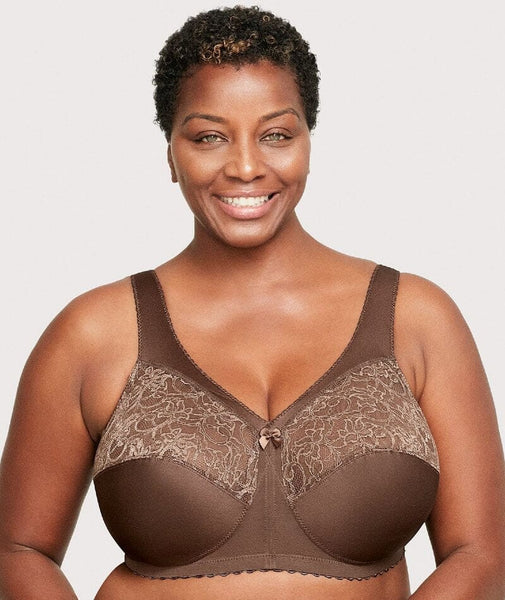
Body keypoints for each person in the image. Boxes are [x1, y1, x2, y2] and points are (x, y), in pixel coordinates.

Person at [1, 5, 504, 599]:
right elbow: (17, 552)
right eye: (209, 137)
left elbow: (482, 556)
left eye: (276, 135)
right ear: (171, 153)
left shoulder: (416, 319)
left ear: (308, 142)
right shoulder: (91, 333)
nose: (244, 167)